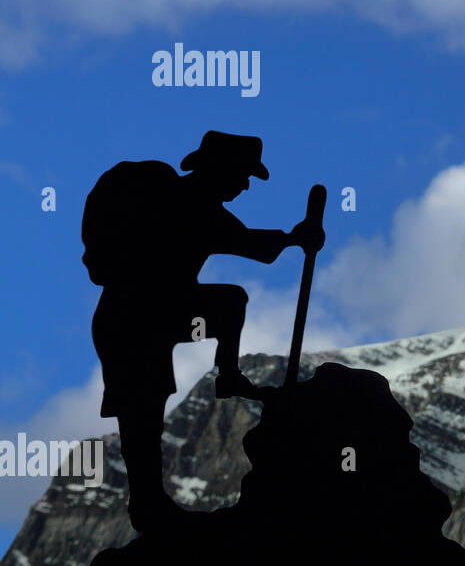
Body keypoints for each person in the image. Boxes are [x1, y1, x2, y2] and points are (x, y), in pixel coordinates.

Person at [81, 131, 325, 530]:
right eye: (242, 175)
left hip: (152, 317)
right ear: (220, 168)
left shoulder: (196, 203)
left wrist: (292, 238)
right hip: (132, 322)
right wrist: (296, 237)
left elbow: (251, 243)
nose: (245, 185)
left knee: (146, 407)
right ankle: (148, 505)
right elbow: (254, 246)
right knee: (142, 412)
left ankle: (151, 500)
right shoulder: (190, 206)